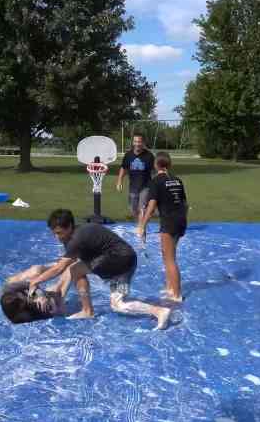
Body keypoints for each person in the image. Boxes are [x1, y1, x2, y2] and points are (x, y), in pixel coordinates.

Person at [27, 209, 172, 330]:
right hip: (125, 265)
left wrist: (35, 281)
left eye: (59, 233)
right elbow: (68, 267)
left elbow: (60, 268)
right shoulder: (75, 234)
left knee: (75, 269)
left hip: (117, 260)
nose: (57, 237)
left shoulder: (76, 239)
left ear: (70, 226)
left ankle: (87, 310)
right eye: (54, 233)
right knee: (118, 305)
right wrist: (60, 292)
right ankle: (159, 311)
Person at [137, 152, 188, 303]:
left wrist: (142, 225)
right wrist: (182, 219)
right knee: (168, 256)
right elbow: (185, 204)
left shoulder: (156, 182)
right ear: (169, 164)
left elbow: (151, 206)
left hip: (169, 222)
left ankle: (176, 294)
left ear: (155, 165)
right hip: (180, 220)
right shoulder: (177, 180)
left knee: (170, 259)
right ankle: (170, 288)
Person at [0, 263, 87, 324]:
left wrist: (41, 296)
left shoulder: (7, 289)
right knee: (57, 302)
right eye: (25, 300)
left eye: (24, 297)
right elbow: (50, 312)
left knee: (36, 271)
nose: (27, 299)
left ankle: (59, 265)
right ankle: (70, 269)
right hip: (22, 308)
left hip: (16, 283)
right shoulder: (22, 316)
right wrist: (55, 309)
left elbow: (31, 284)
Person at [115, 134, 155, 222]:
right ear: (133, 142)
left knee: (142, 208)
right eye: (135, 141)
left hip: (146, 187)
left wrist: (155, 185)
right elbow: (123, 168)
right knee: (133, 209)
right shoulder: (128, 155)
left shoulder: (149, 156)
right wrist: (119, 181)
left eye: (139, 142)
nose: (137, 144)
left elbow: (153, 171)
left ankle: (141, 226)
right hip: (133, 187)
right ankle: (139, 223)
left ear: (143, 143)